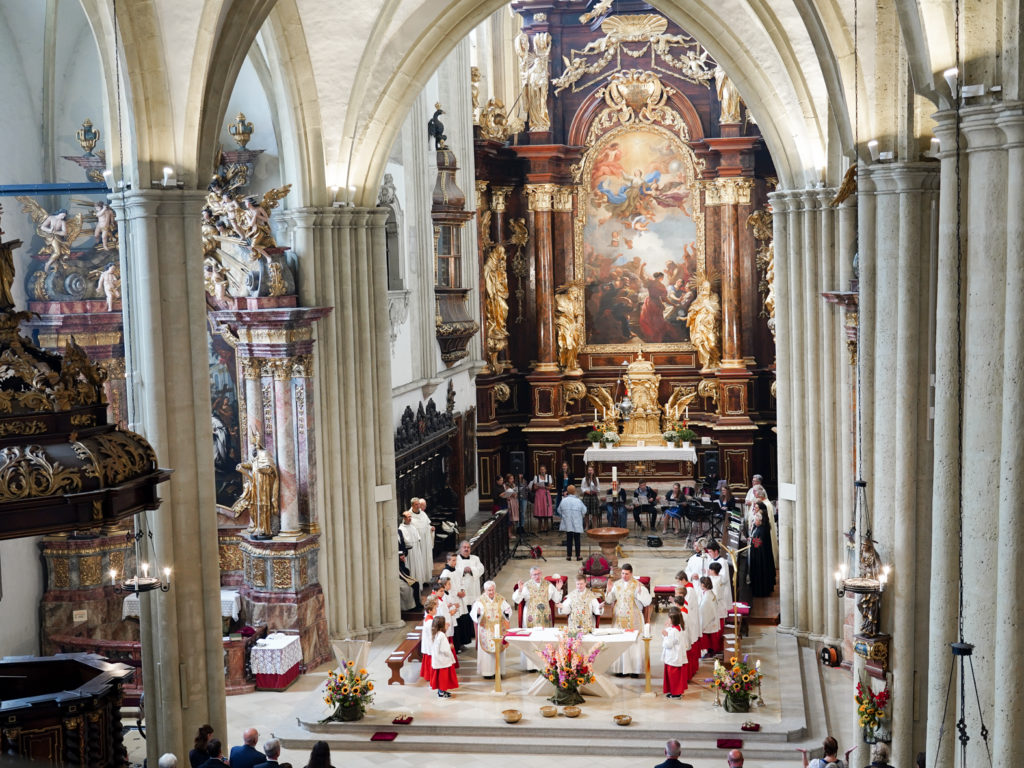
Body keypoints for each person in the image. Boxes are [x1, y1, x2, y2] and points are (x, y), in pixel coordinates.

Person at [605, 563, 652, 675]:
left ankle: (634, 671)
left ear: (631, 573)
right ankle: (620, 670)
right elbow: (609, 600)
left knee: (633, 643)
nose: (624, 576)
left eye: (626, 574)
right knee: (620, 642)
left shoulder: (638, 585)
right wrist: (608, 591)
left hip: (634, 618)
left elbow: (647, 602)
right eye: (622, 573)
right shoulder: (617, 585)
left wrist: (640, 593)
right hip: (619, 619)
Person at [513, 567, 562, 670]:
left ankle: (545, 664)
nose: (537, 576)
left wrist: (557, 589)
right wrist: (520, 590)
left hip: (545, 617)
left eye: (538, 573)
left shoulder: (548, 584)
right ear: (531, 576)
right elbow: (517, 600)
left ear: (541, 574)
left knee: (545, 639)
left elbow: (556, 599)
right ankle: (530, 666)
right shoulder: (526, 586)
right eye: (534, 574)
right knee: (532, 639)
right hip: (531, 617)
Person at [469, 580, 511, 678]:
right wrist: (478, 614)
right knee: (487, 654)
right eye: (489, 590)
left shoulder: (500, 599)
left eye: (492, 590)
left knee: (499, 651)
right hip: (486, 629)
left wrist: (506, 612)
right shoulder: (480, 601)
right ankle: (487, 673)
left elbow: (507, 610)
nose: (491, 592)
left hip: (499, 628)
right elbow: (473, 614)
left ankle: (498, 672)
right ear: (485, 590)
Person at [439, 552, 473, 650]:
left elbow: (461, 582)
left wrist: (462, 590)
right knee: (456, 623)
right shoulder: (445, 573)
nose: (455, 562)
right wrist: (457, 593)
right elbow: (444, 588)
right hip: (452, 599)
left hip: (460, 599)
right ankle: (456, 646)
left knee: (462, 620)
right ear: (448, 560)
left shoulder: (457, 570)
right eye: (453, 560)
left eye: (456, 560)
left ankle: (462, 642)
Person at [749, 504, 777, 598]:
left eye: (756, 520)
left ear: (760, 521)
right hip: (759, 556)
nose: (755, 521)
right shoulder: (760, 527)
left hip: (761, 558)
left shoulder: (762, 530)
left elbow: (758, 544)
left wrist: (751, 540)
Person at [429, 614, 458, 698]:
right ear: (441, 625)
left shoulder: (435, 633)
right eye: (445, 623)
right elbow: (444, 649)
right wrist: (450, 646)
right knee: (443, 678)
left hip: (438, 659)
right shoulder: (441, 635)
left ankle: (441, 691)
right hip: (442, 660)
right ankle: (442, 692)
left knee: (440, 678)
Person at [398, 510, 428, 591]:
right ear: (404, 518)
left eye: (410, 516)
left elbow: (418, 538)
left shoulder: (413, 526)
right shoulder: (401, 529)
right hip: (409, 553)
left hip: (416, 551)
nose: (410, 518)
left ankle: (419, 585)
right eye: (408, 517)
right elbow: (403, 542)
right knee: (411, 568)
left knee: (417, 568)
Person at [661, 606, 687, 698]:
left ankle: (676, 694)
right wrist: (667, 629)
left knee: (673, 677)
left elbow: (668, 644)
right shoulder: (678, 628)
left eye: (669, 618)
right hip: (675, 656)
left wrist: (665, 635)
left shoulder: (673, 631)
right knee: (674, 676)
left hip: (672, 657)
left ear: (673, 619)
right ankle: (674, 691)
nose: (667, 619)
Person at [412, 498, 435, 585]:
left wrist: (431, 528)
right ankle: (419, 581)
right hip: (417, 544)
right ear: (412, 505)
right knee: (418, 562)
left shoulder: (423, 514)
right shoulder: (409, 516)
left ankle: (426, 579)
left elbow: (427, 525)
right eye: (417, 505)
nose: (418, 507)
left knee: (425, 560)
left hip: (425, 543)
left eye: (419, 505)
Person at [559, 485, 586, 560]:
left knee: (569, 538)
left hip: (568, 522)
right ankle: (578, 556)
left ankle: (569, 555)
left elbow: (559, 510)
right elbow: (584, 510)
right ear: (574, 492)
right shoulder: (578, 501)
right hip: (577, 521)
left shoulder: (564, 500)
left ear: (567, 492)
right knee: (577, 539)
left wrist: (565, 515)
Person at [455, 539, 485, 606]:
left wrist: (472, 570)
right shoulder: (456, 559)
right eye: (464, 547)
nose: (466, 549)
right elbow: (454, 571)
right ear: (460, 549)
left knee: (473, 607)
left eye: (468, 547)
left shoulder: (475, 558)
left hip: (473, 587)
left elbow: (481, 569)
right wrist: (463, 570)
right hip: (461, 586)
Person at [699, 575, 720, 656]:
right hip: (712, 619)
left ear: (703, 585)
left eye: (700, 584)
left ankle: (710, 652)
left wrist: (702, 622)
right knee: (711, 637)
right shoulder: (710, 592)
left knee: (708, 638)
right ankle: (711, 651)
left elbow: (704, 610)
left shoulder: (707, 597)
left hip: (708, 620)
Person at [419, 595, 438, 681]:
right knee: (430, 660)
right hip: (430, 644)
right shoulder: (429, 621)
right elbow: (432, 635)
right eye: (434, 609)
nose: (436, 610)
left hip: (428, 643)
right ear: (430, 611)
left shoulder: (430, 618)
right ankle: (430, 676)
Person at [530, 466, 554, 532]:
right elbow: (534, 487)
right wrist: (538, 486)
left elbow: (550, 487)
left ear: (545, 470)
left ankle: (546, 527)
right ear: (540, 471)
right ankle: (539, 527)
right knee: (540, 509)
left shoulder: (548, 477)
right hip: (539, 494)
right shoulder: (536, 477)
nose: (542, 471)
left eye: (543, 469)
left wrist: (547, 487)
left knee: (545, 509)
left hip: (546, 494)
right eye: (541, 469)